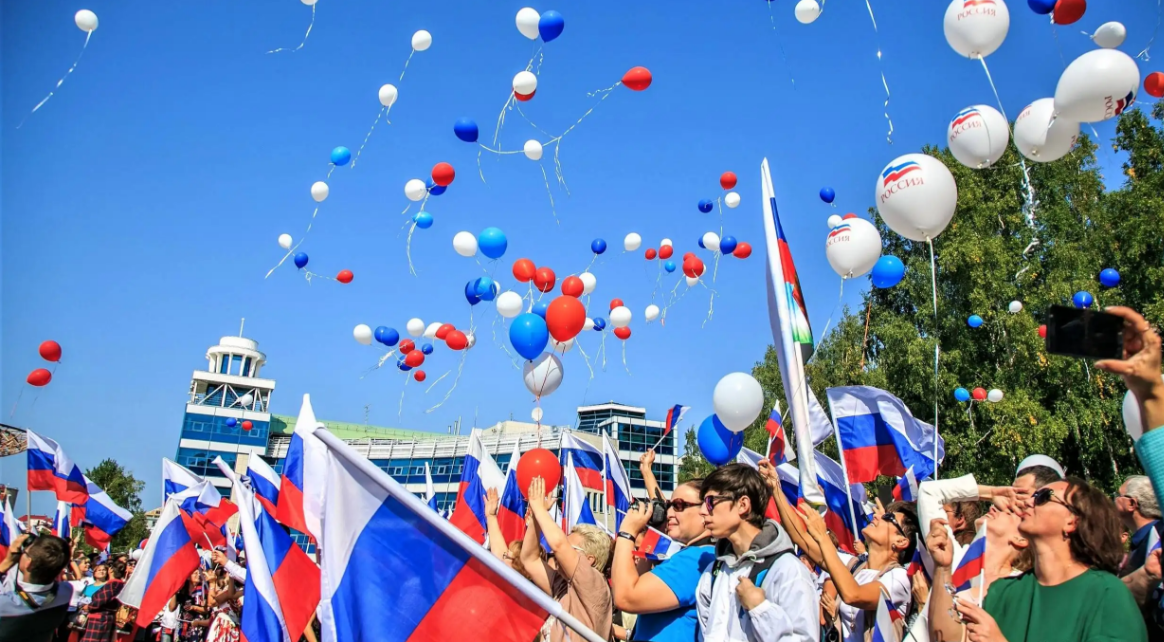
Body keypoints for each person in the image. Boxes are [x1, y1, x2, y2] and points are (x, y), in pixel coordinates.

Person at [931, 477, 1146, 641]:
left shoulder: (1107, 594)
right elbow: (948, 638)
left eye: (1042, 497)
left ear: (1072, 521)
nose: (1027, 503)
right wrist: (943, 567)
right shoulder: (1003, 592)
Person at [694, 463, 818, 641]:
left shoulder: (788, 570)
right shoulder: (713, 573)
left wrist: (760, 609)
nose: (702, 511)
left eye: (710, 502)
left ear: (743, 505)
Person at [611, 478, 716, 642]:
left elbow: (625, 597)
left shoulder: (695, 560)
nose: (669, 513)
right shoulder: (699, 555)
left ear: (705, 509)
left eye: (679, 505)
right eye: (669, 506)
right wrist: (654, 532)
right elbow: (636, 581)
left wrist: (627, 532)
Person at [799, 498, 918, 642]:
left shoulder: (899, 578)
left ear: (900, 541)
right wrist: (775, 488)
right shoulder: (857, 567)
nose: (876, 516)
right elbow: (802, 539)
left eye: (888, 517)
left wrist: (823, 537)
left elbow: (853, 595)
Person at [521, 476, 614, 642]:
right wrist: (536, 516)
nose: (558, 555)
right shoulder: (563, 584)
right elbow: (529, 559)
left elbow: (558, 545)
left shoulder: (595, 583)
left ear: (589, 559)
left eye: (571, 549)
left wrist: (540, 509)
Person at [0, 533, 74, 642]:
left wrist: (6, 563)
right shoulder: (66, 592)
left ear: (28, 563)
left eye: (24, 553)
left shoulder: (4, 603)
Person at [82, 559, 127, 642]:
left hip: (100, 619)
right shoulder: (119, 584)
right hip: (106, 618)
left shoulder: (112, 584)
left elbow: (101, 600)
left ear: (110, 570)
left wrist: (89, 606)